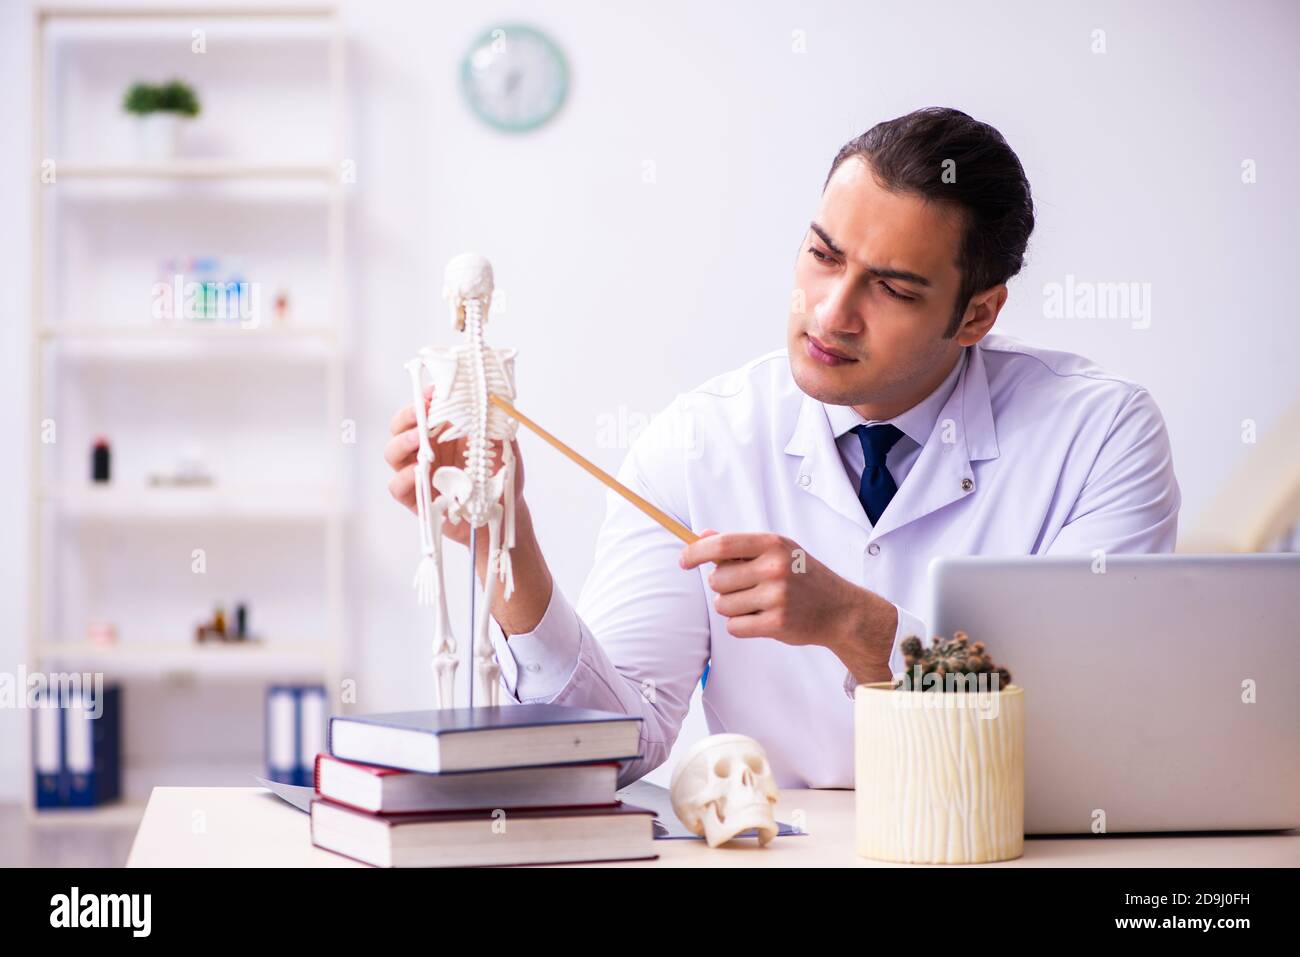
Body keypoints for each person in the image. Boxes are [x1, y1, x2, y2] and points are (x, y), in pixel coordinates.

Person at [384, 107, 1180, 788]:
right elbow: (608, 744)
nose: (831, 314)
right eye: (824, 257)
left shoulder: (1100, 437)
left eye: (894, 288)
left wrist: (858, 625)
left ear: (977, 316)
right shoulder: (701, 440)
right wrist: (504, 542)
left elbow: (1078, 735)